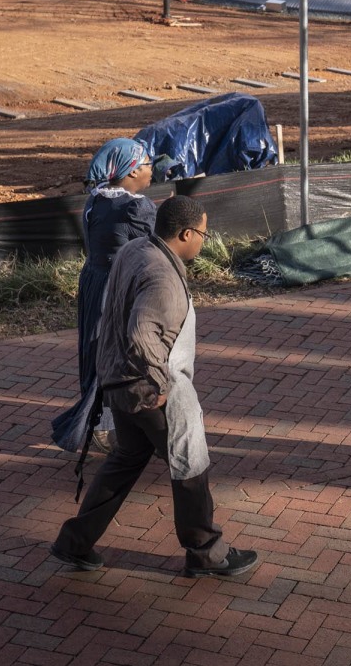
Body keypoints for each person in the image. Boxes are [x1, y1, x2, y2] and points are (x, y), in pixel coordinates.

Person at [50, 195, 257, 578]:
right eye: (203, 235)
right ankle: (206, 552)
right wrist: (159, 386)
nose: (204, 241)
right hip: (148, 389)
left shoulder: (135, 249)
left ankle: (74, 542)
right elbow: (143, 336)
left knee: (126, 459)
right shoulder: (164, 278)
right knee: (189, 465)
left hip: (116, 381)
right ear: (186, 233)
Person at [51, 139, 158, 454]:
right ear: (132, 170)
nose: (153, 170)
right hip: (119, 289)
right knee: (126, 355)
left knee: (99, 352)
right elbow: (153, 251)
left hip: (94, 284)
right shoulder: (136, 207)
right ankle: (107, 425)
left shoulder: (96, 199)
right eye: (149, 164)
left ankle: (104, 420)